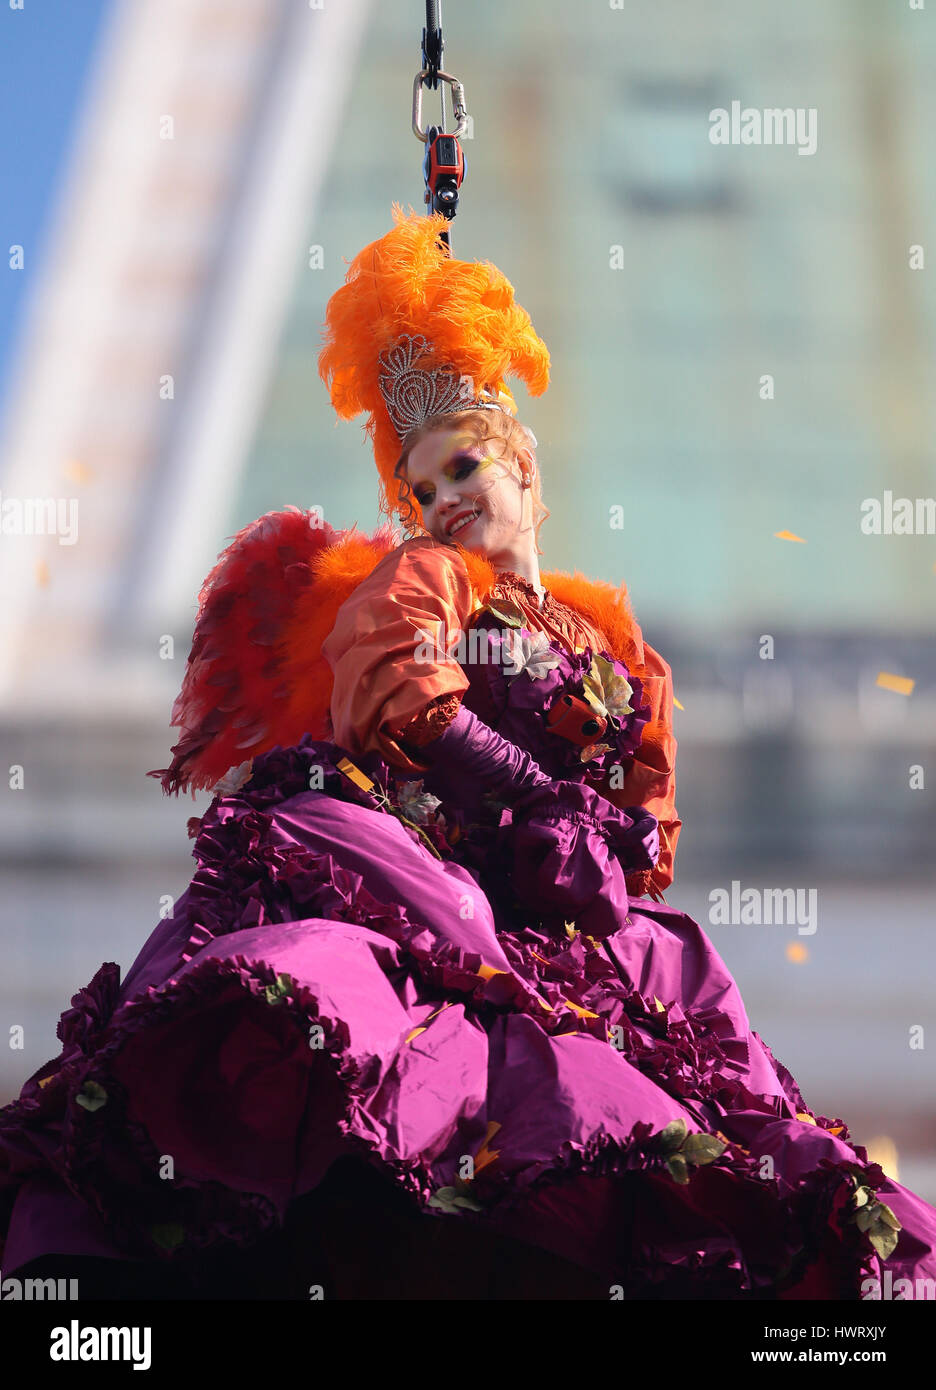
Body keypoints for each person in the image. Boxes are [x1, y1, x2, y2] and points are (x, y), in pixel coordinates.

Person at [1, 206, 934, 1301]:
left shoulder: (618, 647)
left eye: (463, 470)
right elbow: (404, 688)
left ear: (526, 470)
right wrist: (532, 789)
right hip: (444, 874)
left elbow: (647, 814)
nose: (443, 502)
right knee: (384, 1036)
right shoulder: (435, 582)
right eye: (421, 490)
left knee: (675, 1072)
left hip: (568, 916)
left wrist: (608, 843)